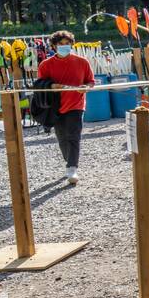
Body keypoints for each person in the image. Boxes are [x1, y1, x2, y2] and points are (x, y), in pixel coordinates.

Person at [36, 30, 94, 186]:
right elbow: (39, 86)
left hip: (76, 104)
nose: (64, 46)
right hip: (55, 107)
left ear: (71, 44)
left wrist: (86, 88)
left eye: (67, 43)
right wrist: (52, 86)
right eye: (60, 44)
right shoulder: (45, 65)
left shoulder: (83, 62)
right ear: (54, 46)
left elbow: (90, 81)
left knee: (74, 135)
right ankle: (69, 160)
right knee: (62, 138)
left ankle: (72, 168)